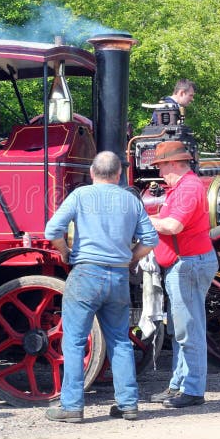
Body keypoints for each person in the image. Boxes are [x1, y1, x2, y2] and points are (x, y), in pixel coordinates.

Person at [43, 151, 158, 423]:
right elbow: (150, 240)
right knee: (119, 340)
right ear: (119, 175)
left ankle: (72, 406)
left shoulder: (81, 196)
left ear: (92, 173)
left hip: (85, 274)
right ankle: (128, 404)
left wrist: (65, 252)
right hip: (117, 277)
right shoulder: (131, 200)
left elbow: (52, 231)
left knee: (73, 341)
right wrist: (130, 259)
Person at [147, 141, 218, 409]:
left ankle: (193, 390)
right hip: (185, 262)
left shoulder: (188, 188)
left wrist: (141, 218)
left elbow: (173, 225)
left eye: (161, 166)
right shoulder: (183, 187)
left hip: (187, 264)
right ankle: (178, 386)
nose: (160, 173)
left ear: (174, 163)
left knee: (190, 329)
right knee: (180, 328)